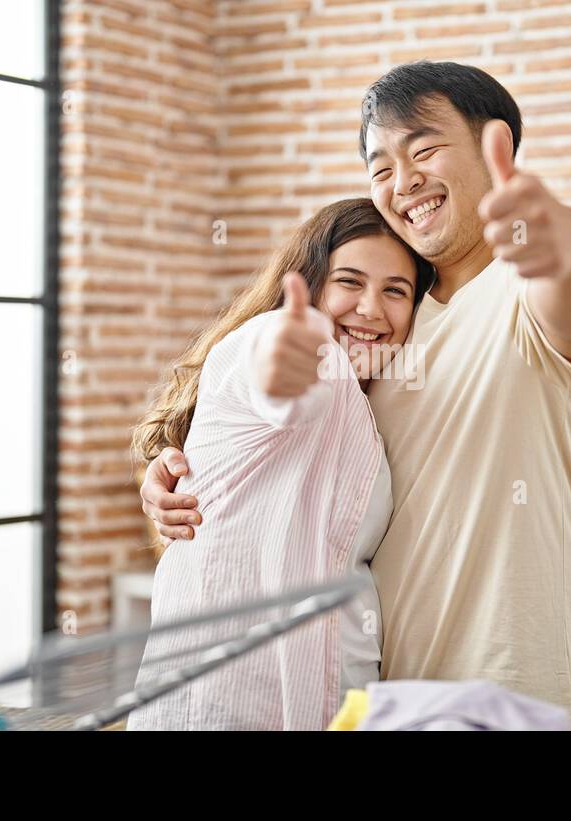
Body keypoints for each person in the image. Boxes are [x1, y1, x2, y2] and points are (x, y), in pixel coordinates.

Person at [143, 62, 571, 730]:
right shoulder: (385, 327)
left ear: (499, 148)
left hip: (528, 701)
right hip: (389, 708)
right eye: (381, 168)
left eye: (424, 150)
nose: (403, 183)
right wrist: (177, 472)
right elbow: (296, 464)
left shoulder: (528, 291)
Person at [126, 198, 434, 730]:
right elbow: (283, 383)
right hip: (233, 705)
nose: (370, 308)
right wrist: (291, 363)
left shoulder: (373, 406)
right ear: (309, 284)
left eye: (395, 290)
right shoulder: (282, 344)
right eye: (349, 281)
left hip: (339, 702)